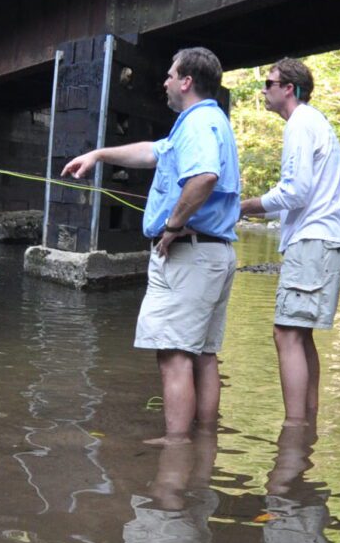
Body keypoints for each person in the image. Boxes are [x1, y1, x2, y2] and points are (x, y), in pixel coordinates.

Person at [62, 46, 242, 440]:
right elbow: (151, 152)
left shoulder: (197, 124)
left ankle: (176, 448)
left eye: (169, 74)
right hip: (213, 254)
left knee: (175, 356)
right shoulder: (208, 121)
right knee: (204, 356)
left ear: (186, 81)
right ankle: (203, 443)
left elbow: (204, 177)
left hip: (190, 254)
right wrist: (98, 154)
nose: (164, 81)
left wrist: (173, 225)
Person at [240, 55, 340, 425]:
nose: (264, 91)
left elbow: (295, 192)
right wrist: (256, 208)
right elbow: (295, 200)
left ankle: (293, 428)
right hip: (324, 240)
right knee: (300, 336)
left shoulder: (300, 124)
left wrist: (244, 206)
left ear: (289, 89)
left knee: (286, 334)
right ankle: (307, 423)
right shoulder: (313, 123)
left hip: (314, 243)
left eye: (269, 84)